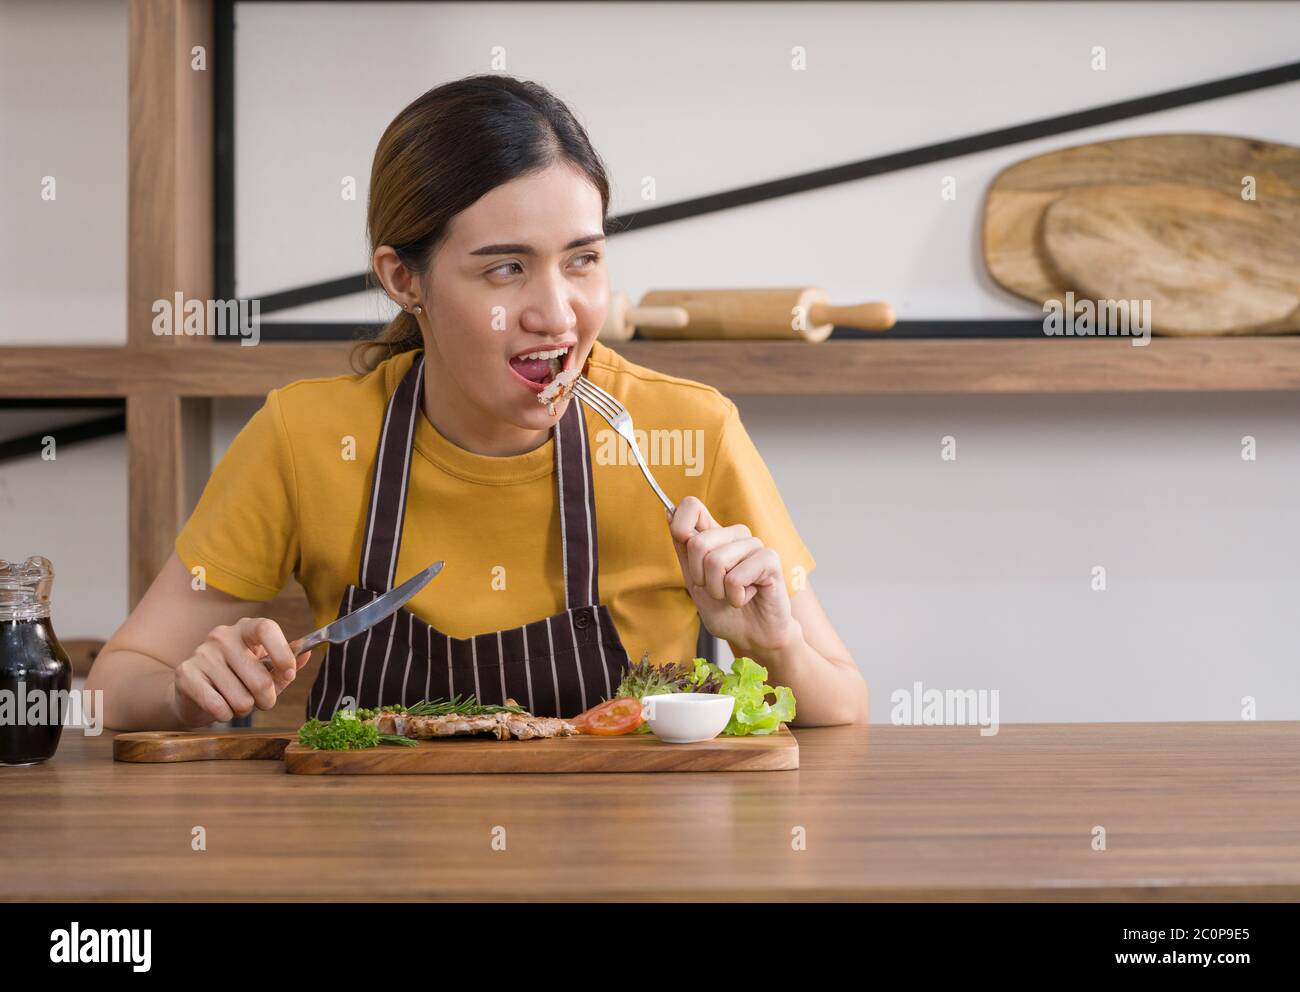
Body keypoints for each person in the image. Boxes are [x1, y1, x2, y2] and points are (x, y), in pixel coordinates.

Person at [86, 75, 867, 730]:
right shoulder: (306, 437)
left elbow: (844, 704)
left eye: (583, 260)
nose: (557, 313)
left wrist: (774, 645)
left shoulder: (684, 431)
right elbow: (117, 683)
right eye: (505, 269)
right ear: (404, 278)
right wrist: (187, 694)